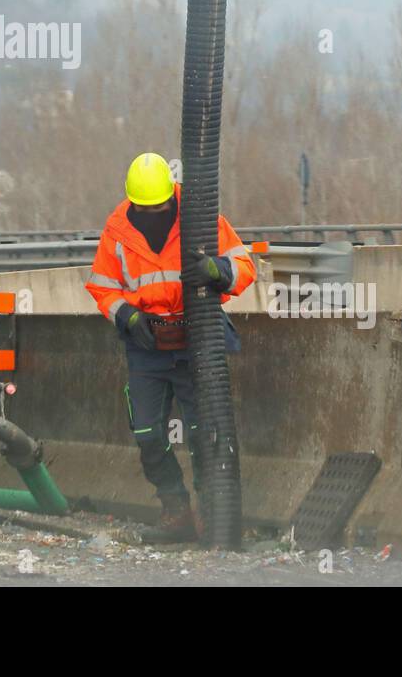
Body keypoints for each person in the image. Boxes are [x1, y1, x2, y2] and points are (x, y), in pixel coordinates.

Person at [83, 152, 255, 543]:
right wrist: (126, 315)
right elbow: (101, 286)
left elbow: (245, 267)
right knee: (147, 432)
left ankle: (213, 513)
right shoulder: (118, 230)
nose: (153, 213)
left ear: (172, 195)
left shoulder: (198, 218)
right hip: (147, 346)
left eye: (159, 206)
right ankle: (175, 508)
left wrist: (217, 270)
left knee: (203, 432)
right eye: (144, 208)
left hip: (198, 340)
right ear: (132, 203)